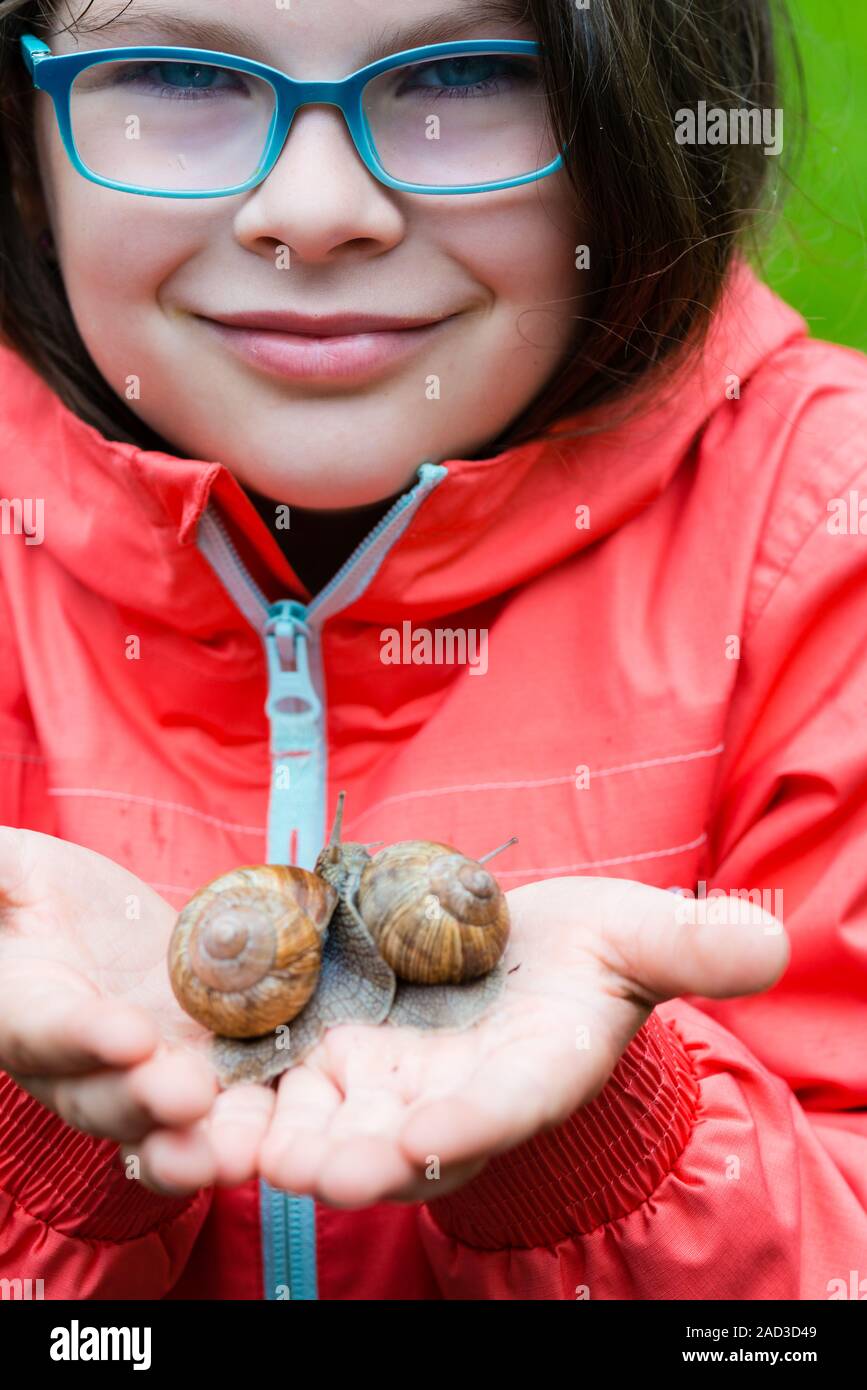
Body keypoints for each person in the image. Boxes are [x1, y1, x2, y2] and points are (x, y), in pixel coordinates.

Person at [0, 0, 865, 1302]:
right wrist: (47, 1126)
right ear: (24, 131)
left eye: (463, 73)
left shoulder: (826, 543)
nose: (313, 206)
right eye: (179, 73)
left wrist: (609, 1145)